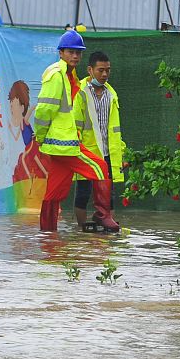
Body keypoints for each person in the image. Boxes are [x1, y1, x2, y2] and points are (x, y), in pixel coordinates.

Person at [32, 29, 121, 233]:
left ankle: (47, 234)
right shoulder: (57, 74)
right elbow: (45, 108)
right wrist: (41, 135)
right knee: (100, 167)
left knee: (54, 191)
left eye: (78, 52)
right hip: (63, 143)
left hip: (62, 142)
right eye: (71, 52)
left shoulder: (69, 75)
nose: (75, 56)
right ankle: (102, 216)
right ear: (61, 52)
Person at [73, 51, 126, 231]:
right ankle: (81, 230)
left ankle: (105, 223)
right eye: (100, 70)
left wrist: (121, 150)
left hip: (107, 152)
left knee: (108, 192)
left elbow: (114, 128)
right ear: (90, 70)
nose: (104, 75)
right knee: (83, 192)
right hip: (86, 151)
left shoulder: (111, 94)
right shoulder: (79, 92)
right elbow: (75, 124)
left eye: (108, 71)